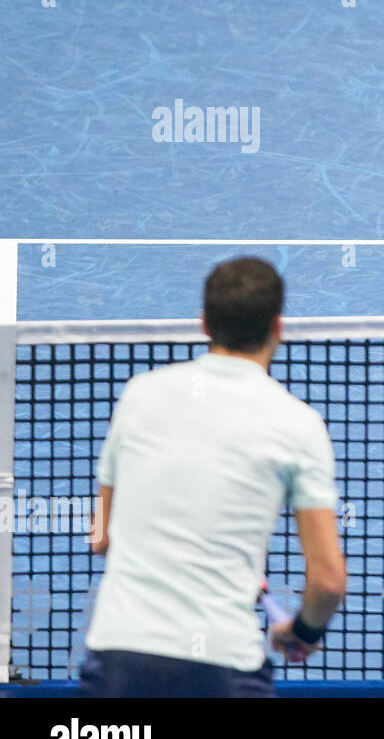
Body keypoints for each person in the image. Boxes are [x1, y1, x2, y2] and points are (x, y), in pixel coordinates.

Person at [79, 257, 346, 697]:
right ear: (278, 328)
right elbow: (328, 581)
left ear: (204, 323)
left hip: (120, 661)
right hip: (223, 668)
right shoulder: (299, 425)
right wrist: (303, 631)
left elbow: (101, 538)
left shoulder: (139, 396)